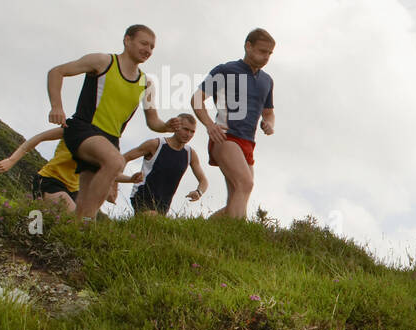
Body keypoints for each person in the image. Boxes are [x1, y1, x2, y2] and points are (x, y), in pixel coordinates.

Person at [45, 24, 174, 219]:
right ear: (127, 40)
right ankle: (87, 222)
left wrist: (166, 126)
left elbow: (153, 121)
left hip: (111, 140)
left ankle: (79, 231)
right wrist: (56, 106)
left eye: (152, 47)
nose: (148, 50)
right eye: (144, 43)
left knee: (86, 202)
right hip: (84, 129)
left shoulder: (146, 83)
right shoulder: (102, 61)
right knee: (115, 162)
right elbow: (56, 72)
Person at [191, 28, 275, 220]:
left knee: (238, 200)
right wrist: (209, 125)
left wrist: (269, 124)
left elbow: (269, 112)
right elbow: (196, 99)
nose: (266, 57)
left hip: (248, 143)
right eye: (262, 51)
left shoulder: (267, 81)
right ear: (248, 46)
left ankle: (204, 232)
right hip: (226, 138)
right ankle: (237, 240)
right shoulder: (226, 70)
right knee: (245, 184)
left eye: (270, 53)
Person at [0, 126, 141, 212]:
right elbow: (39, 137)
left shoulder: (103, 146)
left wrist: (130, 179)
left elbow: (109, 171)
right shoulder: (74, 129)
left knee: (80, 223)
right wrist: (11, 160)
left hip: (74, 190)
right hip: (49, 180)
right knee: (71, 217)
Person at [122, 114, 208, 215]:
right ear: (176, 127)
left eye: (192, 131)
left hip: (164, 204)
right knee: (153, 219)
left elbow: (203, 180)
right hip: (142, 196)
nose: (188, 134)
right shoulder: (156, 145)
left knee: (151, 229)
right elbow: (124, 158)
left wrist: (199, 192)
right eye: (185, 129)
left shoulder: (190, 154)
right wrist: (114, 181)